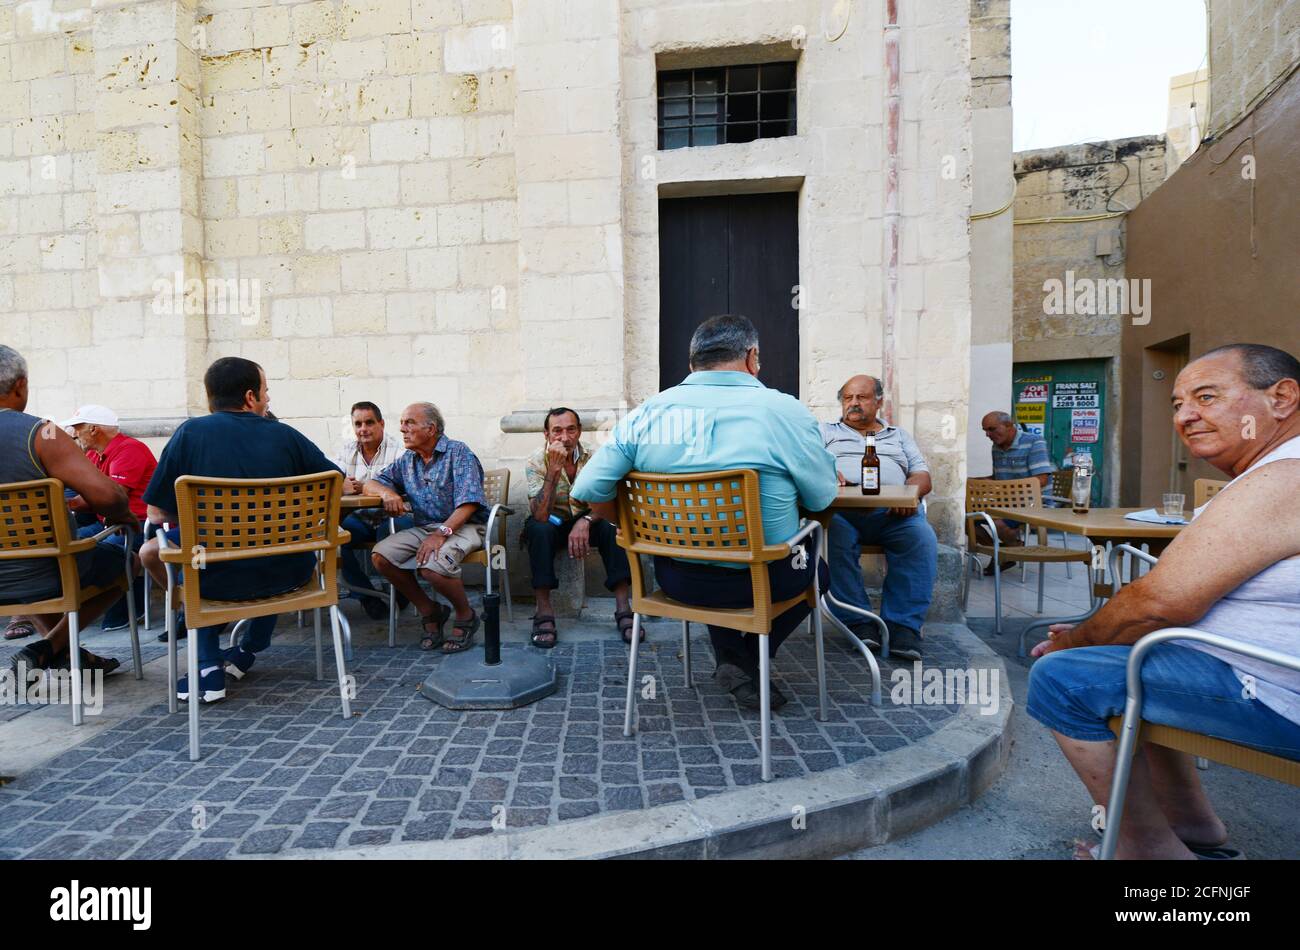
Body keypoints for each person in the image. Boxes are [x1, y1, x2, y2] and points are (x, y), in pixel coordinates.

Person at [1026, 344, 1300, 860]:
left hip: (1278, 688)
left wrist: (1074, 641)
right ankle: (1192, 825)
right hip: (1261, 670)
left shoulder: (1285, 475)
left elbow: (1160, 603)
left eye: (1206, 396)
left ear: (1282, 398)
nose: (1185, 415)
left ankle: (1148, 852)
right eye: (1178, 403)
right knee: (1133, 655)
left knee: (1065, 680)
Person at [570, 314, 838, 710]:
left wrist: (628, 527)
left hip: (677, 578)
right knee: (817, 569)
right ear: (752, 357)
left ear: (692, 361)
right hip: (765, 580)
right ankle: (750, 660)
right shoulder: (785, 411)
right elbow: (820, 500)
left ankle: (733, 658)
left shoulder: (647, 414)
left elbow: (587, 488)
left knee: (707, 546)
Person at [142, 357, 341, 703]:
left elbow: (157, 513)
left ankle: (207, 665)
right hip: (290, 572)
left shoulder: (189, 433)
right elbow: (334, 482)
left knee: (168, 556)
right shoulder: (286, 436)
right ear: (250, 397)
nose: (267, 400)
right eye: (265, 392)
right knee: (271, 542)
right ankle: (249, 648)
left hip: (215, 576)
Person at [0, 346, 137, 674]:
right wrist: (125, 517)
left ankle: (64, 654)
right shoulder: (41, 434)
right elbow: (107, 496)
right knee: (127, 561)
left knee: (22, 557)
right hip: (48, 572)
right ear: (20, 386)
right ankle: (51, 647)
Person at [820, 374, 937, 660]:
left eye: (861, 397)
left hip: (894, 513)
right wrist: (824, 472)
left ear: (879, 401)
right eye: (848, 398)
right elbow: (805, 463)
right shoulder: (824, 432)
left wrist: (912, 495)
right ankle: (859, 622)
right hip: (842, 512)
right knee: (833, 532)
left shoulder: (898, 436)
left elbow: (922, 474)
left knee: (921, 538)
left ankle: (903, 627)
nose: (854, 403)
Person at [366, 403, 487, 654]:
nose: (402, 428)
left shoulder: (458, 452)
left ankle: (466, 616)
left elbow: (469, 504)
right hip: (425, 527)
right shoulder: (408, 460)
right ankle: (430, 610)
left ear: (431, 429)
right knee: (381, 557)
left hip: (463, 525)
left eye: (409, 422)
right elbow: (372, 483)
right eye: (402, 422)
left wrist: (440, 534)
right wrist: (388, 493)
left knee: (431, 567)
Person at [522, 408, 633, 647]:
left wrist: (586, 521)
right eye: (557, 431)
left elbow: (612, 499)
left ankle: (624, 608)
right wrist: (553, 470)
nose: (565, 437)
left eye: (571, 429)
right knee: (537, 530)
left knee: (612, 525)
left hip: (588, 518)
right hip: (551, 521)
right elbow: (540, 514)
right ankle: (544, 611)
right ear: (546, 435)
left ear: (579, 431)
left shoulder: (595, 456)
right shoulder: (534, 460)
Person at [62, 405, 157, 630]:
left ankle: (128, 600)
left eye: (77, 428)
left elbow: (114, 498)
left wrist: (68, 503)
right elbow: (87, 493)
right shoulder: (95, 453)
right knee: (69, 544)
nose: (74, 433)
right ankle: (78, 611)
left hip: (138, 525)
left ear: (94, 429)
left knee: (98, 551)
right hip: (109, 523)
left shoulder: (129, 449)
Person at [335, 401, 408, 619]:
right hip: (360, 516)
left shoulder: (399, 451)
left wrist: (364, 488)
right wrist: (344, 486)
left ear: (382, 424)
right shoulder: (347, 450)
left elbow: (404, 488)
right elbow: (334, 480)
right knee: (333, 537)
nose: (363, 429)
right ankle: (367, 596)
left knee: (389, 538)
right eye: (358, 424)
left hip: (395, 516)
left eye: (369, 423)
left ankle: (402, 590)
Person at [977, 411, 1054, 571]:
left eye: (991, 429)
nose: (987, 434)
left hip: (1034, 504)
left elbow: (1041, 480)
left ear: (1009, 425)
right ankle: (1005, 552)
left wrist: (1004, 489)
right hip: (1006, 504)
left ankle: (1007, 552)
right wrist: (976, 482)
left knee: (997, 523)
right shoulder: (996, 447)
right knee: (966, 519)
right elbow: (998, 479)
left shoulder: (1034, 441)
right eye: (985, 430)